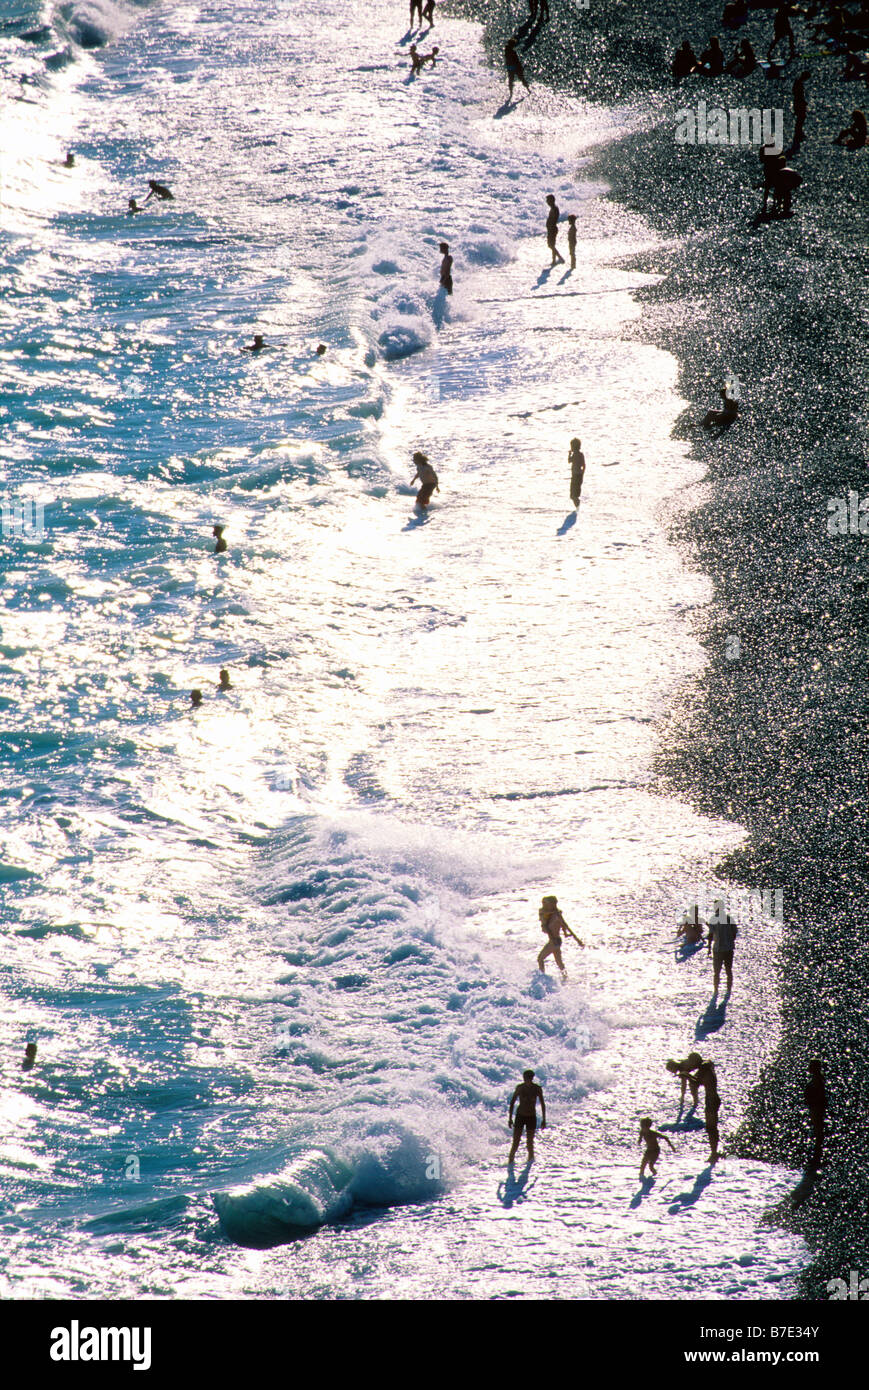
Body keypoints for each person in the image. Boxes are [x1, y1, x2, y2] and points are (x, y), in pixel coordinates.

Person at [537, 895, 584, 979]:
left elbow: (566, 926)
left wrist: (577, 940)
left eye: (545, 903)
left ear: (551, 904)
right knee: (559, 963)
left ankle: (542, 978)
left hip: (554, 941)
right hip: (556, 941)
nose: (543, 905)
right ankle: (566, 977)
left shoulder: (556, 915)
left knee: (540, 959)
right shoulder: (549, 915)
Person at [508, 1069, 546, 1163]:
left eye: (528, 1078)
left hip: (531, 1117)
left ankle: (530, 1163)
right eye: (524, 1078)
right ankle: (510, 1163)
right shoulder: (520, 1088)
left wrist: (544, 1119)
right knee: (516, 1142)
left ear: (531, 1078)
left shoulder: (537, 1089)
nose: (526, 1080)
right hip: (520, 1116)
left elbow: (542, 1104)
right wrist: (510, 1118)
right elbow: (512, 1102)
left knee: (530, 1143)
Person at [707, 900, 737, 994]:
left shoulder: (713, 919)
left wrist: (708, 947)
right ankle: (728, 990)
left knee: (717, 972)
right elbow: (734, 932)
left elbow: (710, 935)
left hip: (718, 949)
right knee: (729, 970)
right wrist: (730, 941)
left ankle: (716, 991)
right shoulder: (729, 918)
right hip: (729, 949)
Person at [695, 1060, 721, 1162]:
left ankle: (714, 1153)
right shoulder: (710, 1074)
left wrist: (686, 1075)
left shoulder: (708, 1075)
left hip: (711, 1102)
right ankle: (714, 1152)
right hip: (712, 1100)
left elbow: (696, 1082)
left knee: (711, 1128)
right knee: (712, 1128)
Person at [804, 1059, 826, 1170]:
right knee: (817, 1130)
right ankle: (816, 1155)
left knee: (818, 1130)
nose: (808, 1068)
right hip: (815, 1107)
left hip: (816, 1108)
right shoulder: (817, 1079)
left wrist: (812, 1102)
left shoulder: (817, 1080)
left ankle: (817, 1156)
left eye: (810, 1066)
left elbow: (819, 1096)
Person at [545, 194, 565, 267]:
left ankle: (560, 258)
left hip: (552, 229)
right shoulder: (553, 208)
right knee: (552, 245)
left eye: (548, 200)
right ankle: (554, 260)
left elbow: (554, 219)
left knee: (551, 245)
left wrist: (550, 226)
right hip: (551, 228)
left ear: (551, 201)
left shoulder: (555, 208)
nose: (547, 202)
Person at [792, 70, 810, 146]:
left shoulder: (798, 82)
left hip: (798, 103)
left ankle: (799, 132)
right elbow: (799, 95)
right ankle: (798, 133)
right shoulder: (799, 84)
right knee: (801, 118)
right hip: (799, 103)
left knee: (800, 118)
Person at [568, 437, 585, 508]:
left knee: (573, 495)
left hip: (575, 475)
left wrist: (569, 454)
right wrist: (582, 473)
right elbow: (583, 465)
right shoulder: (580, 454)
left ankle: (578, 507)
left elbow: (569, 461)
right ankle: (577, 507)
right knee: (576, 494)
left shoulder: (575, 454)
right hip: (579, 475)